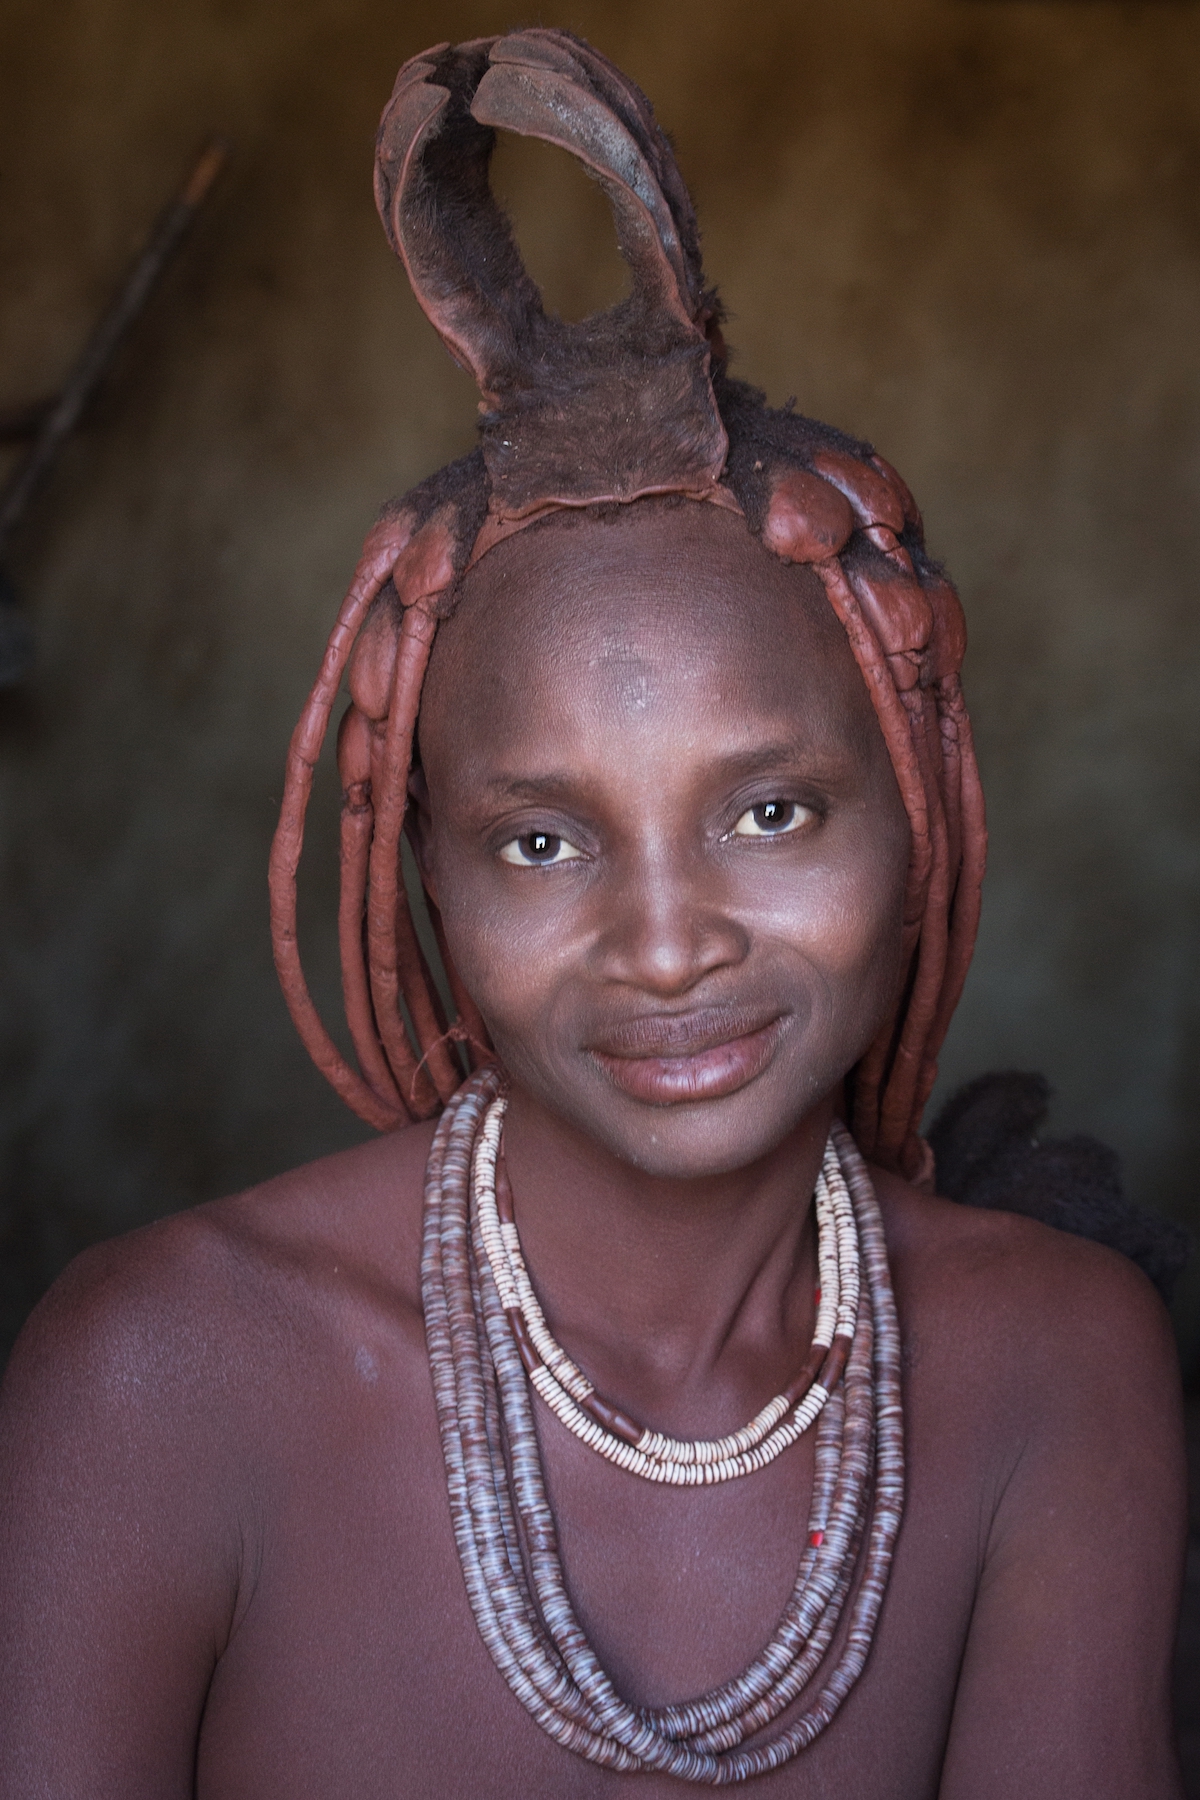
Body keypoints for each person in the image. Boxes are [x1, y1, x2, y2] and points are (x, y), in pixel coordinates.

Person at [0, 30, 1186, 1798]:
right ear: (428, 882)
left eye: (771, 810)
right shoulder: (156, 1386)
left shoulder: (1058, 1374)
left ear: (916, 819)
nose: (664, 941)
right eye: (542, 843)